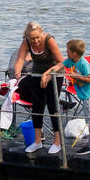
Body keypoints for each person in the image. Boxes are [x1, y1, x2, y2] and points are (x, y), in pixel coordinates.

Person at [11, 21, 64, 154]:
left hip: (54, 74)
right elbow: (20, 59)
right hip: (36, 74)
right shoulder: (26, 42)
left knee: (53, 106)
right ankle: (37, 141)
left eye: (37, 38)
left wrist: (48, 74)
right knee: (37, 107)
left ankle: (57, 142)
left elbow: (62, 62)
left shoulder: (49, 40)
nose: (35, 41)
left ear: (41, 33)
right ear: (27, 37)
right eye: (32, 38)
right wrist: (17, 71)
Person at [49, 39, 90, 151]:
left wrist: (75, 76)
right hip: (85, 95)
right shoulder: (70, 61)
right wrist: (49, 72)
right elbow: (60, 65)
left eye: (67, 50)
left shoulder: (83, 63)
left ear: (74, 53)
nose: (66, 52)